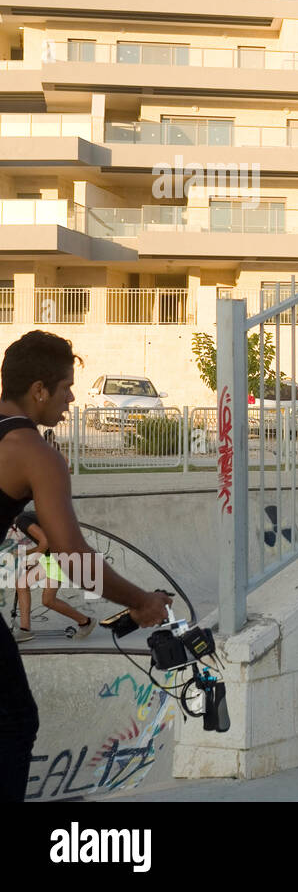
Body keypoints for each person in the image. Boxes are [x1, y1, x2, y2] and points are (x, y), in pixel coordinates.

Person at [0, 331, 172, 803]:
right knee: (15, 721)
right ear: (39, 389)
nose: (72, 398)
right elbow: (73, 556)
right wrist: (141, 602)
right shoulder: (36, 454)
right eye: (66, 387)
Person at [11, 512, 96, 642]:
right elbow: (47, 542)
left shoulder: (22, 520)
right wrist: (27, 553)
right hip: (54, 556)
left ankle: (85, 622)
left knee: (48, 600)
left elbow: (46, 541)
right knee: (22, 584)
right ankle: (25, 630)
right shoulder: (30, 516)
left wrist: (33, 560)